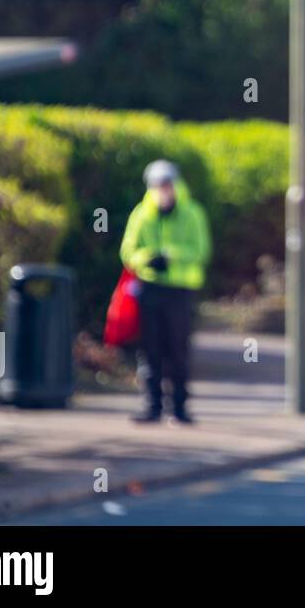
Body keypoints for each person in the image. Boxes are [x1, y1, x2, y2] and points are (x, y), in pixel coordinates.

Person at [119, 160, 211, 425]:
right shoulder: (142, 214)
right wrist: (148, 258)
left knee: (178, 349)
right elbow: (128, 251)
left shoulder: (192, 212)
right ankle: (152, 406)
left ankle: (179, 408)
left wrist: (171, 257)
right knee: (150, 350)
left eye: (167, 185)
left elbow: (200, 250)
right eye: (158, 186)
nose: (164, 191)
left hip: (179, 290)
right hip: (151, 288)